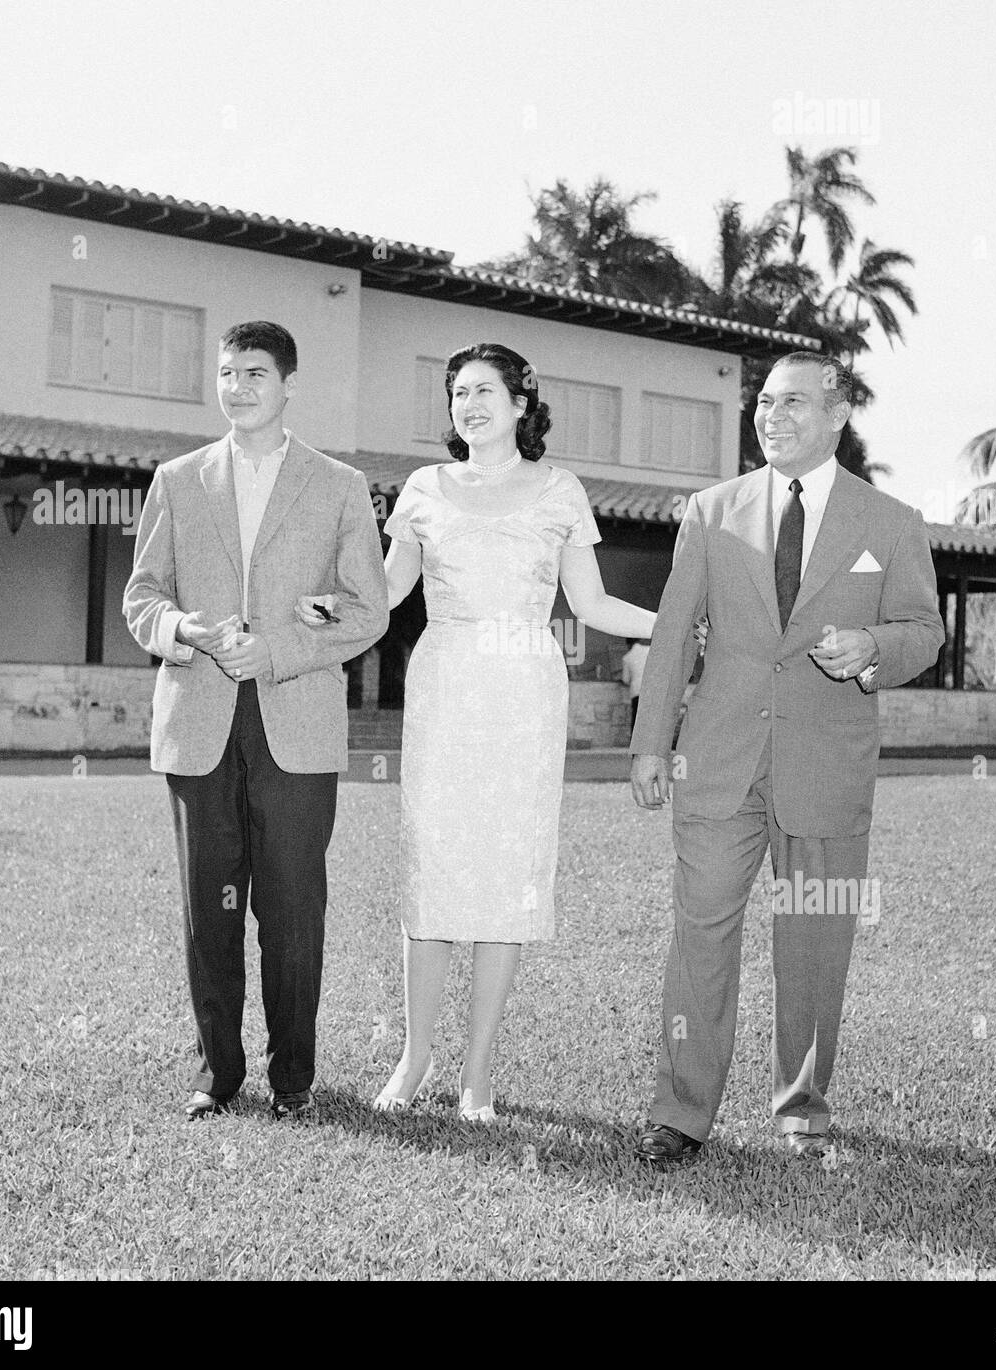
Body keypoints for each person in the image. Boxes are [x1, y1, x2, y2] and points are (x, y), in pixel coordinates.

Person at [300, 341, 653, 1122]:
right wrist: (324, 602)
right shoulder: (424, 488)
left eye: (486, 390)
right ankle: (415, 1057)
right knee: (434, 873)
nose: (470, 404)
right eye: (459, 392)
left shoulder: (560, 490)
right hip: (446, 683)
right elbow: (388, 592)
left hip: (524, 688)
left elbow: (590, 605)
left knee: (507, 877)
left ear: (523, 404)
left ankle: (478, 1073)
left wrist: (674, 625)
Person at [629, 351, 943, 1162]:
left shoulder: (892, 522)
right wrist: (650, 743)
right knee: (701, 934)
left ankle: (801, 1106)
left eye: (794, 402)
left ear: (839, 415)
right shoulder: (710, 510)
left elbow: (922, 632)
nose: (772, 416)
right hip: (719, 760)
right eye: (765, 402)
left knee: (814, 939)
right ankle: (680, 1112)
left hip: (827, 766)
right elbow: (672, 637)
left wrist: (872, 644)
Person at [124, 320, 389, 1120]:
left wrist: (274, 651)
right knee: (210, 908)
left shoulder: (340, 485)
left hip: (295, 724)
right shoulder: (176, 479)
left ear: (288, 384)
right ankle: (217, 1074)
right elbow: (142, 597)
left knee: (293, 908)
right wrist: (185, 633)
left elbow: (366, 609)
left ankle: (294, 1079)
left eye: (255, 373)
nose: (237, 386)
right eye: (227, 372)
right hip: (198, 722)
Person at [620, 638, 649, 733]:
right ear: (638, 641)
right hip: (652, 689)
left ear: (628, 645)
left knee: (636, 716)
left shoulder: (627, 657)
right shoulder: (649, 650)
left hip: (637, 691)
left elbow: (625, 679)